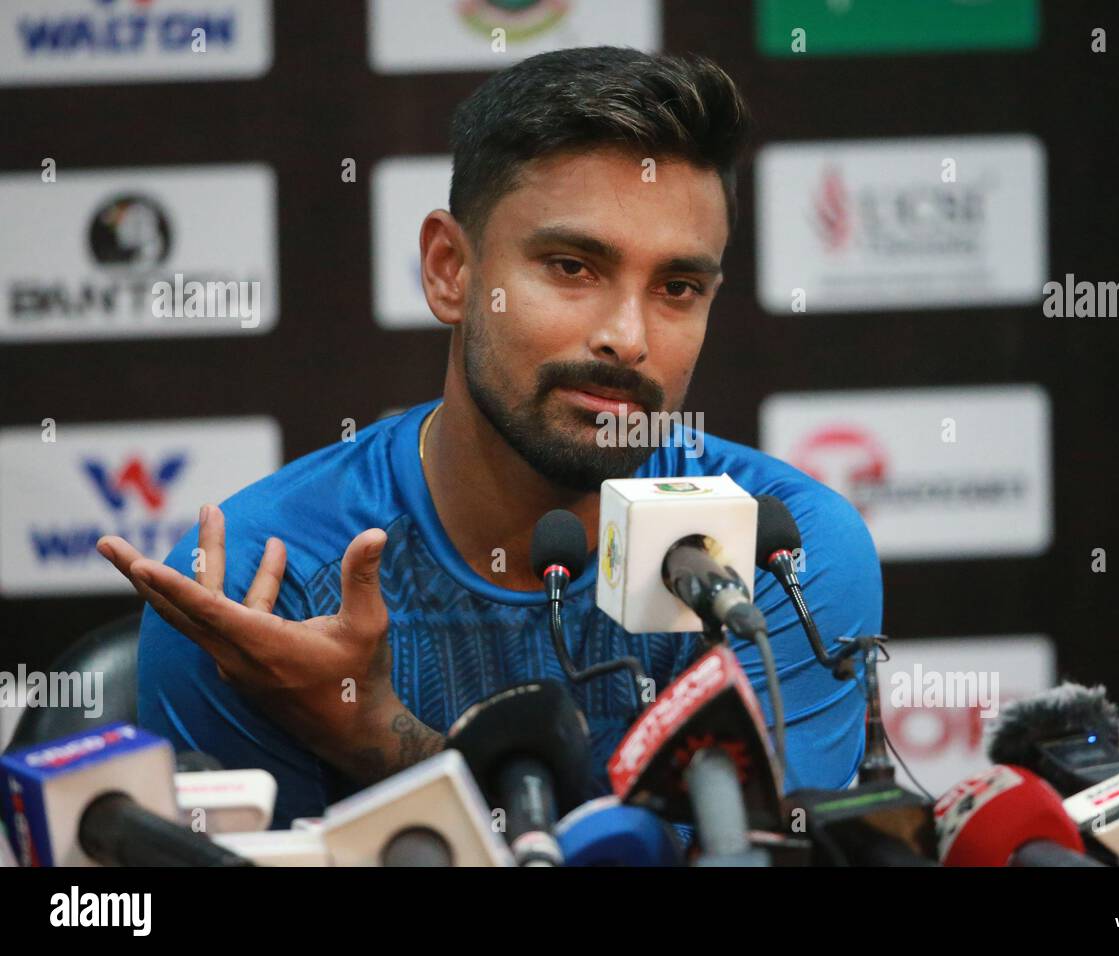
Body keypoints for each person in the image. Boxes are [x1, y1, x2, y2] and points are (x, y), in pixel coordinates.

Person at [97, 46, 883, 830]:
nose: (627, 337)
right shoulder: (263, 584)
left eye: (677, 288)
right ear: (449, 270)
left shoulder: (781, 554)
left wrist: (378, 740)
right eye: (573, 267)